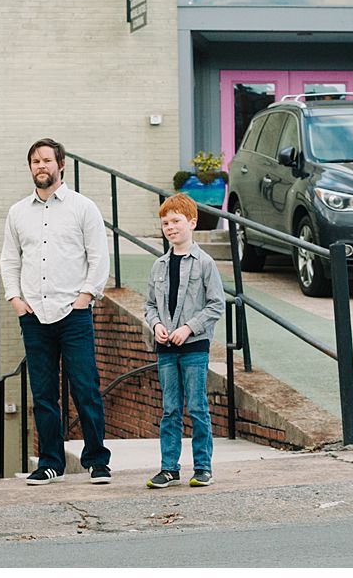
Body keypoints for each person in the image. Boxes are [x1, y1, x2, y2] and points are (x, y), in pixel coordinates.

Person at [0, 137, 112, 485]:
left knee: (85, 387)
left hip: (74, 313)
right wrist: (16, 300)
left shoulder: (83, 208)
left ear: (61, 164)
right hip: (34, 316)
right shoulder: (18, 212)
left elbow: (98, 257)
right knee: (43, 394)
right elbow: (9, 259)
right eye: (35, 161)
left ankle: (97, 460)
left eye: (46, 160)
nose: (41, 166)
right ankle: (50, 462)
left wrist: (85, 297)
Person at [143, 193, 225, 490]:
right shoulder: (159, 266)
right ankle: (168, 468)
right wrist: (157, 325)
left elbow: (216, 305)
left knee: (198, 408)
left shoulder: (205, 263)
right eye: (165, 222)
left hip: (194, 348)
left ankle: (203, 467)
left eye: (176, 221)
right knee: (170, 409)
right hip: (166, 350)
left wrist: (189, 328)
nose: (170, 227)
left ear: (191, 222)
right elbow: (150, 305)